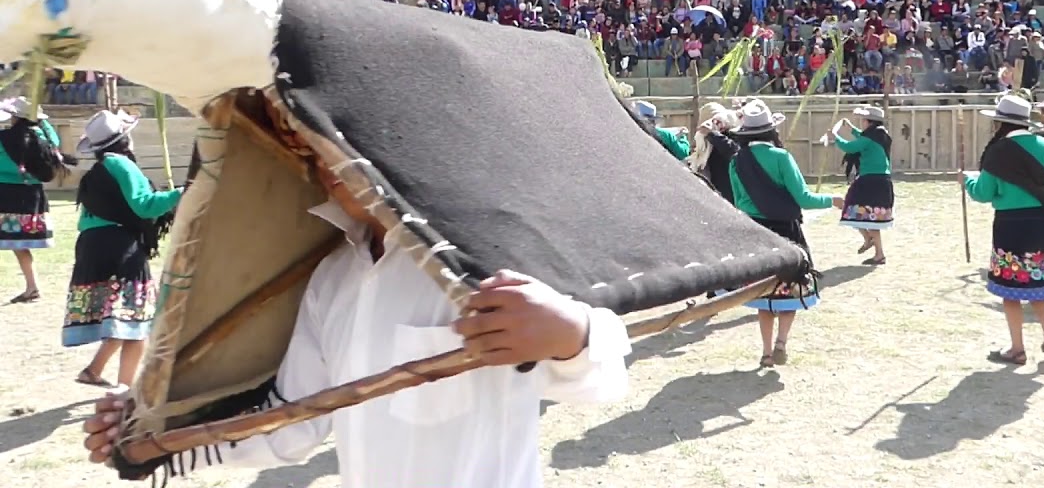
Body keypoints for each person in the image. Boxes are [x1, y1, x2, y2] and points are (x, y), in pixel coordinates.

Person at [83, 196, 632, 486]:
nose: (313, 151)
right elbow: (291, 425)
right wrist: (156, 436)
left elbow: (603, 379)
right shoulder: (332, 276)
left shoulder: (482, 259)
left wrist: (573, 334)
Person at [63, 110, 183, 388]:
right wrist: (182, 192)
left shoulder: (97, 171)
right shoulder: (121, 165)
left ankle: (93, 371)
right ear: (124, 139)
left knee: (121, 317)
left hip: (91, 245)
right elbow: (145, 206)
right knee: (136, 322)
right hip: (119, 247)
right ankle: (124, 390)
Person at [719, 99, 843, 368]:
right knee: (791, 290)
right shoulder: (782, 157)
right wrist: (832, 200)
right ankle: (781, 343)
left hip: (756, 232)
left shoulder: (736, 162)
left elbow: (738, 202)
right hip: (786, 231)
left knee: (764, 295)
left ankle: (766, 353)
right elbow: (804, 198)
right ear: (771, 130)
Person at [961, 94, 1044, 365]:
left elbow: (983, 193)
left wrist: (967, 181)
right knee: (1039, 281)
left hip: (1011, 225)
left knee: (1010, 288)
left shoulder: (997, 152)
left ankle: (1017, 348)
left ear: (1000, 123)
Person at [0, 97, 63, 303]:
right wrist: (41, 120)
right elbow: (54, 140)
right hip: (32, 195)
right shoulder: (47, 138)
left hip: (6, 194)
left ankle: (32, 287)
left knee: (16, 244)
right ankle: (32, 286)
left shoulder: (5, 139)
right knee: (18, 243)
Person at [829, 105, 894, 266]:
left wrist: (835, 137)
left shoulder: (870, 138)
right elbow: (863, 138)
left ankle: (869, 240)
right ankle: (877, 251)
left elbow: (850, 147)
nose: (862, 123)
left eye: (863, 120)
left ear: (868, 122)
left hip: (870, 181)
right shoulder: (880, 134)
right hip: (881, 181)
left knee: (852, 207)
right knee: (871, 217)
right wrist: (851, 129)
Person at [690, 102, 742, 202]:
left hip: (731, 195)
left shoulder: (731, 136)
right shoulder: (703, 142)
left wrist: (713, 135)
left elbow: (736, 153)